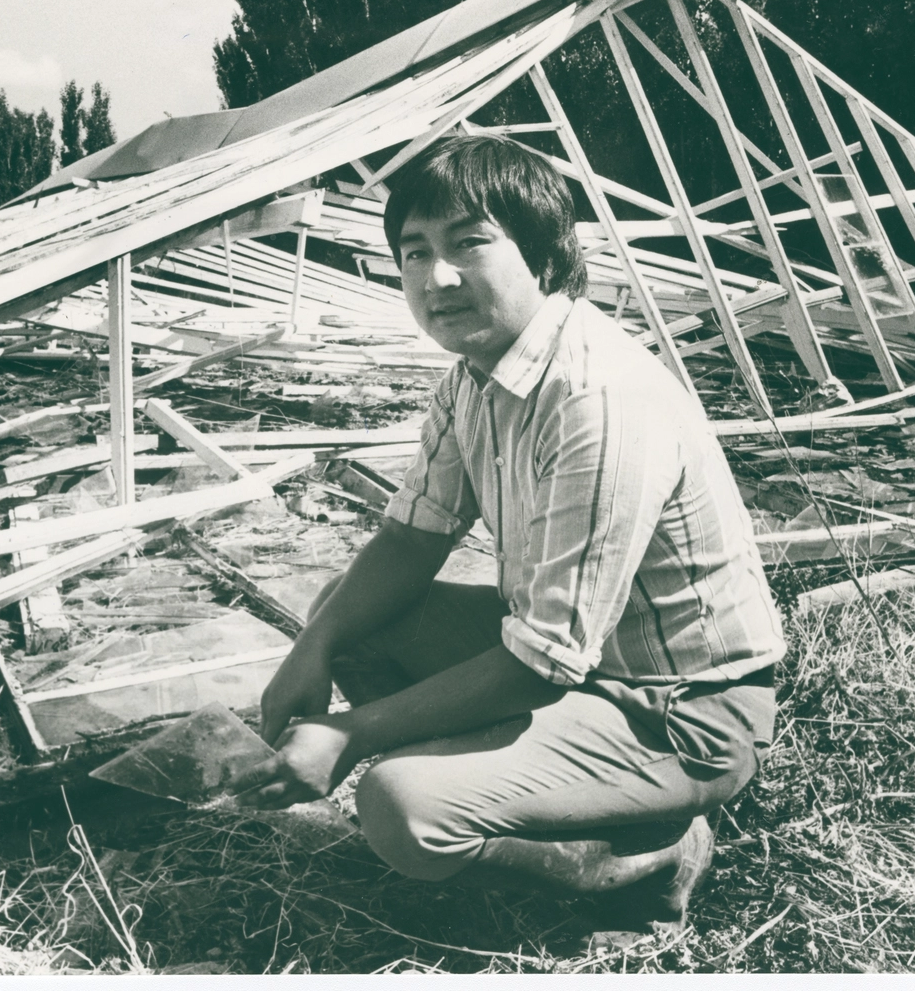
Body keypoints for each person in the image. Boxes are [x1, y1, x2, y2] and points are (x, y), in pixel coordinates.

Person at [230, 134, 785, 936]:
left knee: (402, 808)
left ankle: (649, 858)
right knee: (346, 618)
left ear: (548, 257)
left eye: (469, 243)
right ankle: (539, 789)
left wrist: (350, 736)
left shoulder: (597, 397)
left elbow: (543, 658)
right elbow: (411, 540)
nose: (437, 277)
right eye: (414, 253)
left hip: (680, 712)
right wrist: (309, 649)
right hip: (582, 674)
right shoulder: (472, 379)